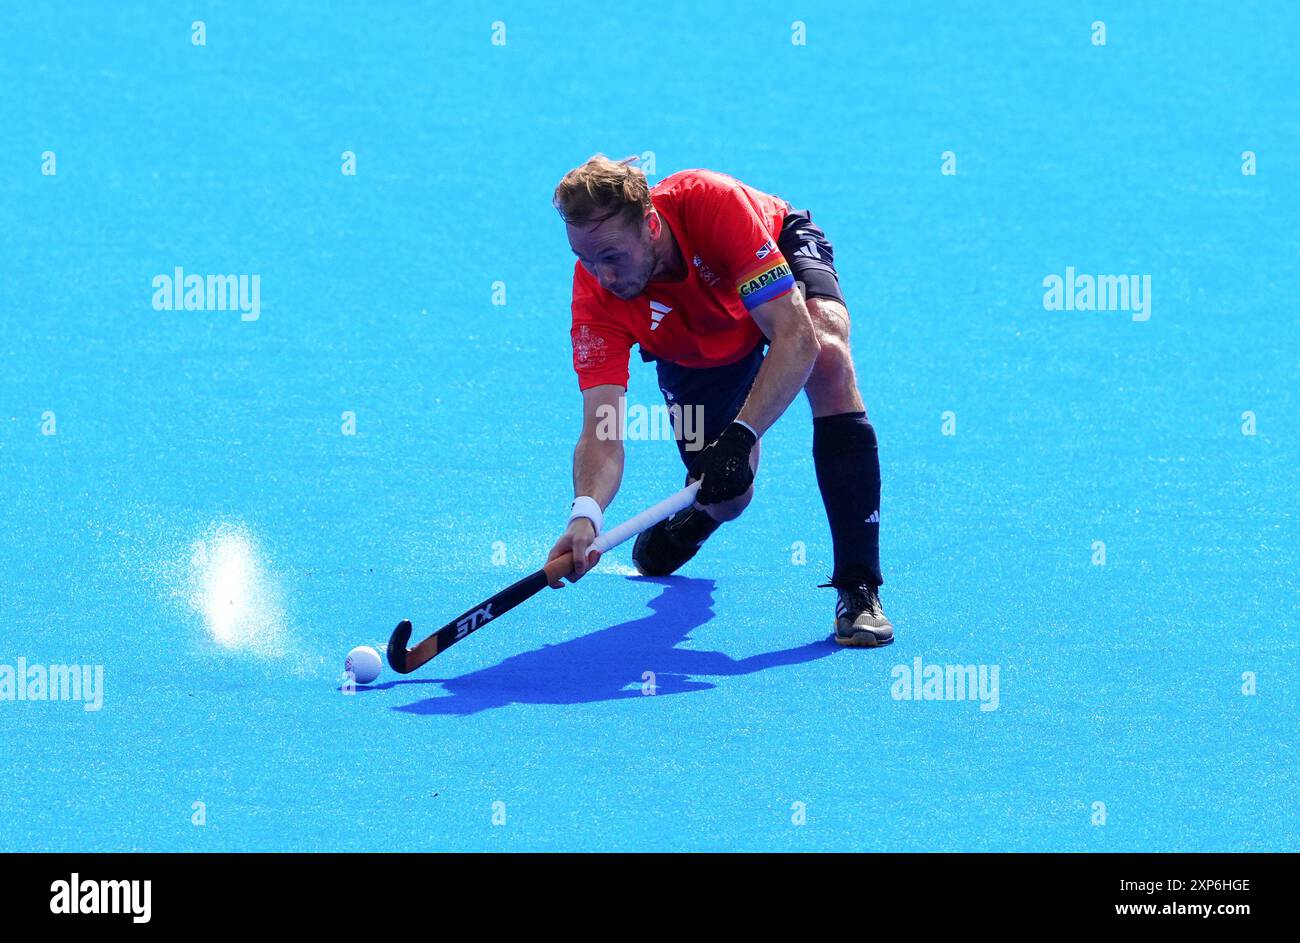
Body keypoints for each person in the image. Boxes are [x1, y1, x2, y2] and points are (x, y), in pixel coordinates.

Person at [544, 155, 892, 647]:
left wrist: (742, 433)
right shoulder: (597, 299)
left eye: (611, 256)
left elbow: (796, 337)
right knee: (730, 495)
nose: (602, 276)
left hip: (773, 264)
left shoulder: (711, 204)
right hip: (695, 345)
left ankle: (859, 585)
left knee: (828, 352)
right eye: (585, 259)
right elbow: (602, 429)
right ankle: (700, 515)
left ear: (650, 225)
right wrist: (586, 515)